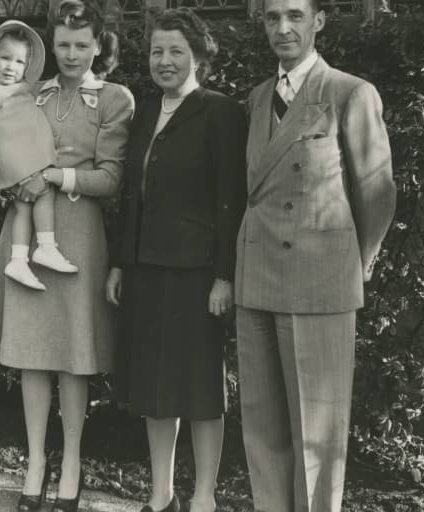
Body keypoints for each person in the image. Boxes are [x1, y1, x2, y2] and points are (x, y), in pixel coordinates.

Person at [234, 0, 397, 510]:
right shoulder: (259, 97)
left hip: (319, 282)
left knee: (317, 434)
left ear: (318, 21)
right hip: (257, 275)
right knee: (263, 424)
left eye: (295, 16)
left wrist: (353, 264)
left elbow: (377, 192)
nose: (283, 28)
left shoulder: (349, 92)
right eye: (272, 18)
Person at [0, 1, 134, 510]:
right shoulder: (30, 91)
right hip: (25, 228)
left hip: (79, 235)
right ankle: (35, 462)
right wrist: (4, 184)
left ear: (98, 46)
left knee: (72, 357)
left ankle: (71, 461)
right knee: (31, 354)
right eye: (62, 44)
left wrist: (53, 177)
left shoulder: (113, 99)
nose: (70, 54)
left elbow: (111, 179)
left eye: (81, 45)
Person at [106, 8, 247, 512]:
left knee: (202, 387)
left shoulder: (221, 111)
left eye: (176, 52)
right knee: (154, 386)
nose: (164, 61)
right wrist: (123, 262)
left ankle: (204, 496)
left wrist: (224, 277)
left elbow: (231, 200)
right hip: (147, 271)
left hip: (197, 275)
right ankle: (161, 495)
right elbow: (133, 199)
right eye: (157, 52)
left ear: (199, 57)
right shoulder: (144, 111)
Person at [0, 19, 79, 292]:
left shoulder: (17, 87)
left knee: (24, 207)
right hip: (7, 159)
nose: (11, 67)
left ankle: (18, 259)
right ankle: (45, 246)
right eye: (5, 58)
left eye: (19, 62)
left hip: (19, 157)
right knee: (43, 193)